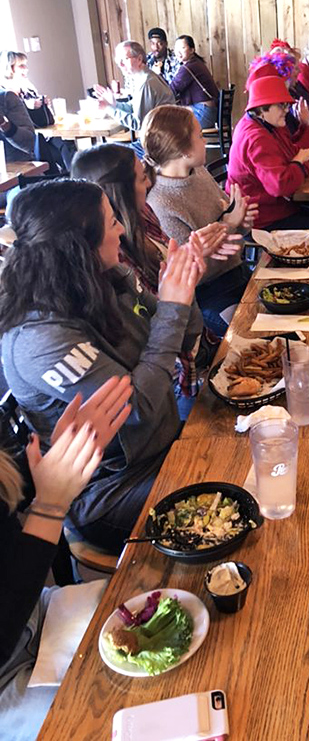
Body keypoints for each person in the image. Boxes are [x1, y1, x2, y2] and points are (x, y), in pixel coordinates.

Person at [0, 179, 204, 553]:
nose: (123, 230)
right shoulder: (37, 340)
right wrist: (173, 308)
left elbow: (187, 334)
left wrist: (184, 286)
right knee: (242, 482)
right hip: (111, 491)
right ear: (80, 247)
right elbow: (138, 405)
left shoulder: (100, 280)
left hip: (164, 443)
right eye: (112, 223)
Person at [0, 376, 133, 741]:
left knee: (151, 603)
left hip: (33, 611)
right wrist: (50, 507)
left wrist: (61, 455)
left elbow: (9, 494)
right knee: (116, 715)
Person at [71, 144, 241, 399]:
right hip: (172, 379)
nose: (150, 183)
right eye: (142, 178)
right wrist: (185, 273)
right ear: (121, 192)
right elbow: (159, 323)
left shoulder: (143, 214)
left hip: (196, 344)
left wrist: (191, 258)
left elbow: (176, 295)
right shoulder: (109, 259)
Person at [142, 105, 255, 337]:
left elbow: (230, 223)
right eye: (200, 136)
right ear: (183, 150)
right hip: (209, 296)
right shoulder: (161, 203)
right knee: (252, 337)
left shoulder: (199, 171)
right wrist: (230, 224)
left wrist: (242, 220)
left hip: (239, 272)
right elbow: (191, 275)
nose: (205, 141)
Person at [227, 75, 309, 230]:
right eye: (281, 106)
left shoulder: (267, 123)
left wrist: (303, 135)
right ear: (262, 108)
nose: (286, 110)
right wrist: (298, 162)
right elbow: (280, 186)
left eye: (287, 105)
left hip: (279, 205)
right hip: (262, 218)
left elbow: (291, 151)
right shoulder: (256, 138)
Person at [93, 40, 175, 136]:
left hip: (164, 141)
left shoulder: (146, 82)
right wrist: (114, 104)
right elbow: (133, 107)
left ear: (139, 59)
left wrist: (108, 108)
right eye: (118, 61)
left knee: (110, 150)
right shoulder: (142, 77)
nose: (120, 65)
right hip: (158, 136)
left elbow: (138, 124)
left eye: (124, 59)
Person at [170, 35, 219, 129]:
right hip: (208, 112)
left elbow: (171, 90)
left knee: (171, 123)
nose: (178, 52)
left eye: (183, 48)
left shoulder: (188, 68)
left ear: (192, 50)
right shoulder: (196, 63)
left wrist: (158, 74)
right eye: (176, 49)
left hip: (203, 114)